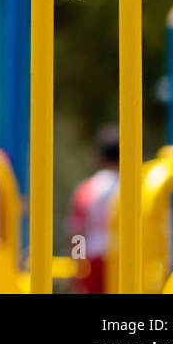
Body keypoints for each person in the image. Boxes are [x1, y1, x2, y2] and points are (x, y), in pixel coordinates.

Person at [65, 123, 120, 293]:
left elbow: (78, 233)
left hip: (94, 261)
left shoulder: (88, 189)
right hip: (130, 258)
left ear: (99, 157)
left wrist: (77, 266)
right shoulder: (141, 187)